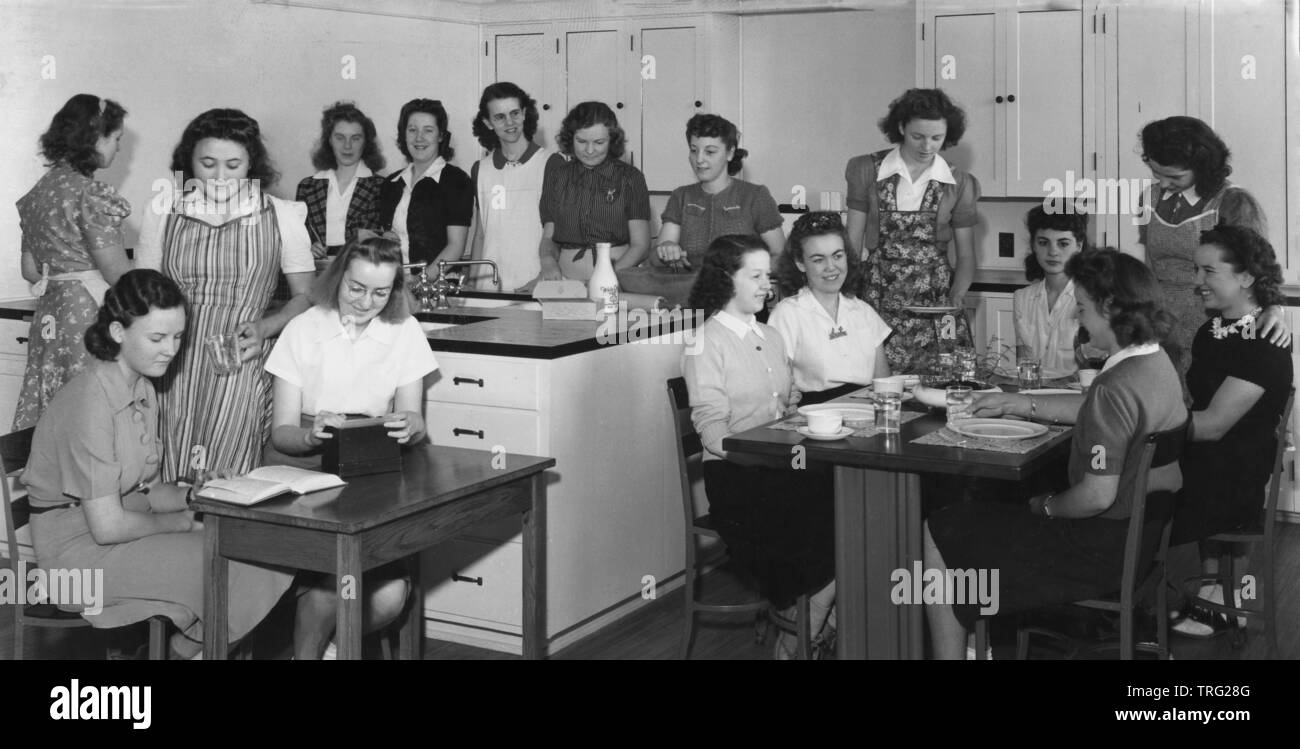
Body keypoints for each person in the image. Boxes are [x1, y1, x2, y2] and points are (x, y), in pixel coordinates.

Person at [924, 249, 1187, 659]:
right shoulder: (1156, 365)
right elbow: (1096, 411)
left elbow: (1096, 496)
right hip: (1139, 546)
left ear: (1110, 307)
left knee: (943, 527)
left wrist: (1045, 506)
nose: (1077, 318)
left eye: (1082, 308)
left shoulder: (1112, 387)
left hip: (1096, 552)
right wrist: (1020, 403)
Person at [22, 270, 293, 659]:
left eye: (178, 337)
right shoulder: (90, 402)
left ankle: (185, 650)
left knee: (254, 547)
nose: (170, 349)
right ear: (117, 332)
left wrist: (193, 494)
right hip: (78, 560)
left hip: (124, 534)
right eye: (157, 338)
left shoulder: (142, 385)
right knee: (236, 562)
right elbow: (108, 526)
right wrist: (181, 522)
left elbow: (148, 491)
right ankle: (189, 651)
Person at [263, 231, 438, 659]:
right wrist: (311, 435)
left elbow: (414, 420)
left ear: (395, 290)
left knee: (389, 595)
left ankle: (331, 648)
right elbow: (281, 432)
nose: (364, 302)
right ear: (337, 276)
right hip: (303, 469)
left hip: (368, 468)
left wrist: (409, 424)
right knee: (328, 588)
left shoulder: (405, 330)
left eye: (379, 293)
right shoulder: (303, 329)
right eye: (355, 288)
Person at [136, 108, 315, 481]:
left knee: (229, 475)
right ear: (189, 161)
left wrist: (266, 327)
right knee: (163, 468)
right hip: (171, 360)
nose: (220, 177)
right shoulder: (164, 211)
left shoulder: (282, 215)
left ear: (252, 165)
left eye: (233, 165)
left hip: (240, 358)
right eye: (207, 163)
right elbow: (143, 296)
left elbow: (307, 298)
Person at [682, 234, 836, 659]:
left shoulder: (770, 335)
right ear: (725, 280)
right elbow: (713, 431)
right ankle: (804, 634)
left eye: (768, 276)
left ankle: (808, 629)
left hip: (777, 468)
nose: (767, 285)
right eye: (755, 276)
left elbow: (788, 405)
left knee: (850, 499)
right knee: (828, 510)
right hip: (736, 478)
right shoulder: (705, 342)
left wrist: (803, 428)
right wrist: (771, 456)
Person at [1169, 225, 1292, 637]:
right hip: (1212, 456)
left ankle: (1220, 599)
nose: (1197, 282)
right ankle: (1213, 596)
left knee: (1136, 483)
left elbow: (1214, 424)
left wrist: (1144, 427)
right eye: (1196, 270)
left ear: (1245, 277)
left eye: (1208, 272)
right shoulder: (1211, 331)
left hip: (1238, 465)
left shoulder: (1264, 341)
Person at [13, 94, 132, 430]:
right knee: (90, 401)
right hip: (87, 311)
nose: (119, 148)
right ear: (95, 137)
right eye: (117, 139)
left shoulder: (39, 193)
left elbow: (31, 270)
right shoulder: (89, 193)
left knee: (53, 398)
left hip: (51, 310)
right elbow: (116, 273)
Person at [1137, 116, 1286, 382]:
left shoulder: (1233, 202)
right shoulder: (1149, 198)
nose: (1163, 184)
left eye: (1174, 176)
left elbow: (1258, 264)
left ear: (1202, 167)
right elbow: (1150, 263)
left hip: (1212, 324)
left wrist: (1273, 308)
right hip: (1162, 325)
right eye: (1157, 174)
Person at [845, 88, 980, 373]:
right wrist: (849, 297)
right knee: (880, 380)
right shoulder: (866, 170)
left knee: (945, 381)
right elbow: (852, 242)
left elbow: (966, 256)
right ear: (901, 127)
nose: (927, 146)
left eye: (937, 138)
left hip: (937, 299)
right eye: (918, 136)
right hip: (878, 294)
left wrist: (955, 297)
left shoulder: (959, 183)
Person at [770, 211, 891, 404]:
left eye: (837, 256)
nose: (831, 267)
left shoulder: (864, 311)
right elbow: (778, 387)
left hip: (866, 413)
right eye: (818, 260)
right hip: (814, 417)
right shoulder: (787, 314)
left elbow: (884, 386)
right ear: (800, 263)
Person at [538, 101, 651, 282]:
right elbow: (549, 238)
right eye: (581, 141)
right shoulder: (557, 177)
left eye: (599, 142)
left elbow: (641, 245)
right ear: (570, 138)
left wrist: (608, 276)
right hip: (567, 281)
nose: (589, 150)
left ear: (612, 140)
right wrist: (548, 261)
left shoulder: (631, 178)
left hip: (618, 279)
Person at [654, 114, 785, 270]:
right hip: (688, 290)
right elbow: (655, 259)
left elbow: (781, 257)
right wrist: (666, 249)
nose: (699, 159)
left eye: (710, 152)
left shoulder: (755, 196)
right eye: (694, 150)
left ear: (730, 153)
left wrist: (749, 271)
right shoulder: (681, 196)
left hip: (739, 291)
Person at [468, 82, 564, 292]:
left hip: (534, 284)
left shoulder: (551, 163)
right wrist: (472, 284)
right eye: (499, 117)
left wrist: (543, 278)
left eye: (514, 113)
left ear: (524, 114)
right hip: (489, 289)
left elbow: (558, 230)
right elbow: (481, 234)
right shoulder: (480, 170)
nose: (509, 122)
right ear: (488, 122)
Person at [377, 99, 474, 271]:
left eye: (428, 130)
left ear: (441, 135)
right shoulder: (390, 183)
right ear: (404, 134)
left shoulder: (457, 181)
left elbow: (455, 247)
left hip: (434, 288)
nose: (419, 138)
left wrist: (420, 282)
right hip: (393, 285)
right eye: (412, 130)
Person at [295, 101, 386, 264]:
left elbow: (382, 240)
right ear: (329, 140)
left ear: (366, 142)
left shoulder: (381, 186)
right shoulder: (307, 187)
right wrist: (308, 247)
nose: (347, 146)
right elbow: (297, 238)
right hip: (317, 273)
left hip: (361, 270)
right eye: (340, 138)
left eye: (355, 138)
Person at [1013, 206, 1089, 381]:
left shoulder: (1091, 298)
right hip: (1033, 394)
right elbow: (1023, 365)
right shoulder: (1022, 298)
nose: (1053, 251)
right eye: (1043, 242)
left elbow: (1094, 369)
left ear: (1079, 245)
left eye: (1063, 243)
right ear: (1033, 245)